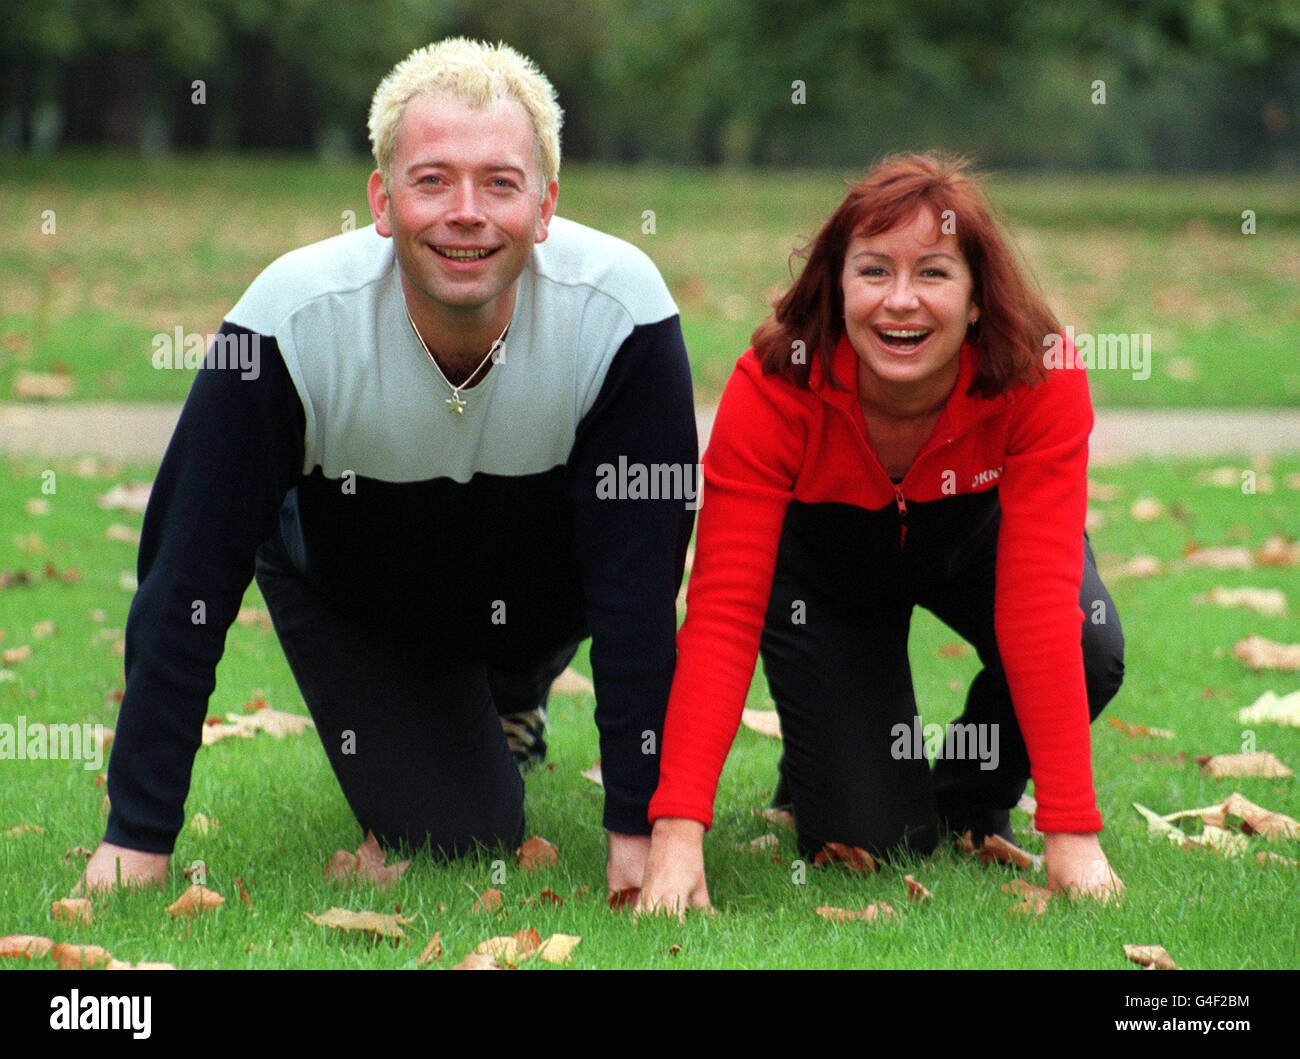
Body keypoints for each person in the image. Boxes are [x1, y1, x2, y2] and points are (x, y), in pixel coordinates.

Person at [80, 38, 696, 896]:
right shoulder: (285, 324)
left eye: (501, 183)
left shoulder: (624, 314)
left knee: (581, 574)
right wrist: (136, 834)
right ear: (382, 198)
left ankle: (513, 692)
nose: (466, 211)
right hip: (357, 586)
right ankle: (458, 711)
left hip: (537, 582)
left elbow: (637, 590)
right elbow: (187, 574)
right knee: (463, 834)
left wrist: (640, 826)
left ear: (548, 205)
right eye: (432, 179)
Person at [638, 153, 1125, 915]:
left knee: (1090, 643)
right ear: (837, 286)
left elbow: (1036, 609)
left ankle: (970, 796)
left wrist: (1072, 831)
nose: (901, 302)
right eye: (873, 271)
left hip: (973, 540)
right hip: (827, 573)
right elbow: (724, 612)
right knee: (877, 838)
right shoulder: (775, 382)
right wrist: (676, 829)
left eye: (933, 273)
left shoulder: (1041, 373)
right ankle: (825, 757)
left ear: (976, 298)